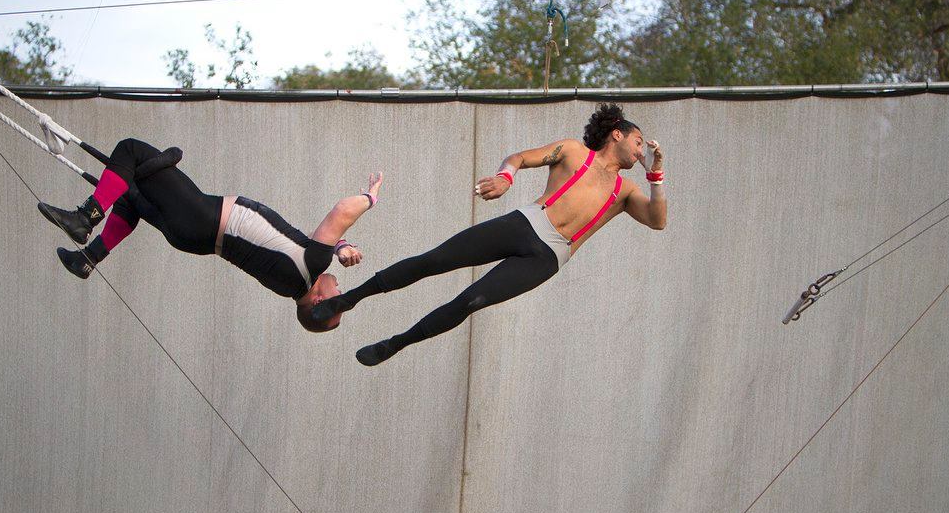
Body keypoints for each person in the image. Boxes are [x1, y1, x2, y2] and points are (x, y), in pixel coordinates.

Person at [311, 103, 666, 364]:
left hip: (548, 257)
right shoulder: (575, 152)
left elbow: (657, 220)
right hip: (525, 224)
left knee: (470, 302)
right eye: (638, 142)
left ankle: (397, 343)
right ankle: (348, 299)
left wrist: (656, 175)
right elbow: (520, 158)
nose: (641, 150)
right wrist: (504, 177)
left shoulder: (625, 191)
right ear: (617, 133)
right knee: (433, 261)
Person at [37, 137, 381, 332]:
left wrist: (370, 198)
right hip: (192, 237)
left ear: (319, 302)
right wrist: (341, 243)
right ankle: (89, 258)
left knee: (129, 151)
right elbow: (297, 240)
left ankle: (85, 218)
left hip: (201, 217)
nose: (339, 289)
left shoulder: (310, 265)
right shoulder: (295, 279)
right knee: (129, 196)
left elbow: (341, 212)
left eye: (337, 298)